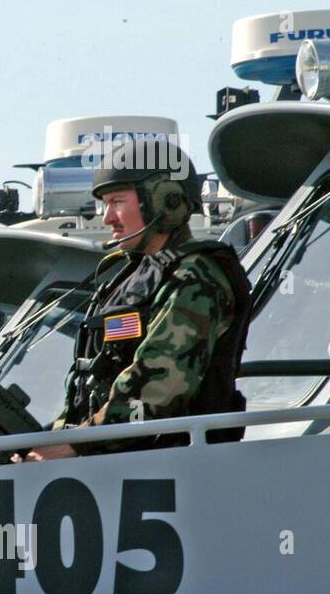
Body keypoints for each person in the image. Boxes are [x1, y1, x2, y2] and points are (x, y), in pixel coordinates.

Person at [19, 138, 251, 461]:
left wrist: (76, 445)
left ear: (164, 201)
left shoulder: (195, 277)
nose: (107, 218)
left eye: (116, 202)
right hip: (120, 460)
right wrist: (55, 439)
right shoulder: (133, 275)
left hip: (174, 469)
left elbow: (157, 391)